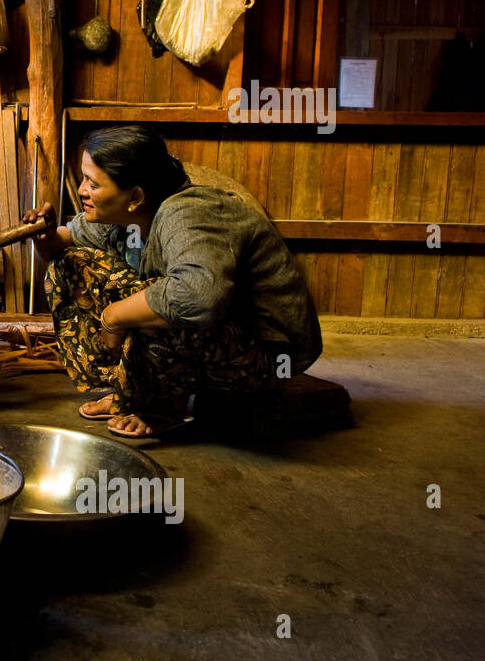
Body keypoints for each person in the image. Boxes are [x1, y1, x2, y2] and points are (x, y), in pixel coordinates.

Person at [24, 124, 321, 438]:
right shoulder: (126, 215)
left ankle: (168, 404)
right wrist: (43, 236)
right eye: (84, 178)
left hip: (266, 356)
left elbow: (200, 298)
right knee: (70, 265)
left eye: (93, 184)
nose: (82, 190)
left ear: (135, 196)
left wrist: (113, 318)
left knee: (165, 303)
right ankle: (131, 389)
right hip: (222, 337)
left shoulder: (187, 214)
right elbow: (61, 245)